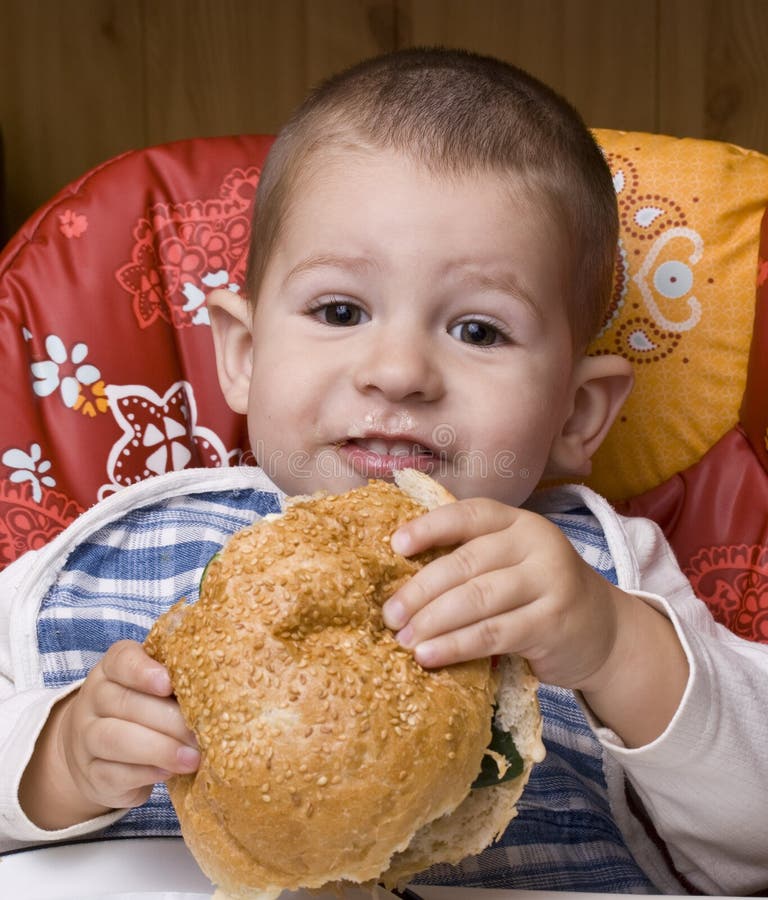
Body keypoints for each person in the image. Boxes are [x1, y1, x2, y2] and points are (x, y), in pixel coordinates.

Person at [1, 47, 766, 895]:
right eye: (340, 311)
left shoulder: (603, 578)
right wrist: (52, 760)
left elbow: (755, 838)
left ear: (577, 415)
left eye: (479, 331)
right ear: (246, 355)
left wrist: (621, 650)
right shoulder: (114, 546)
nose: (398, 370)